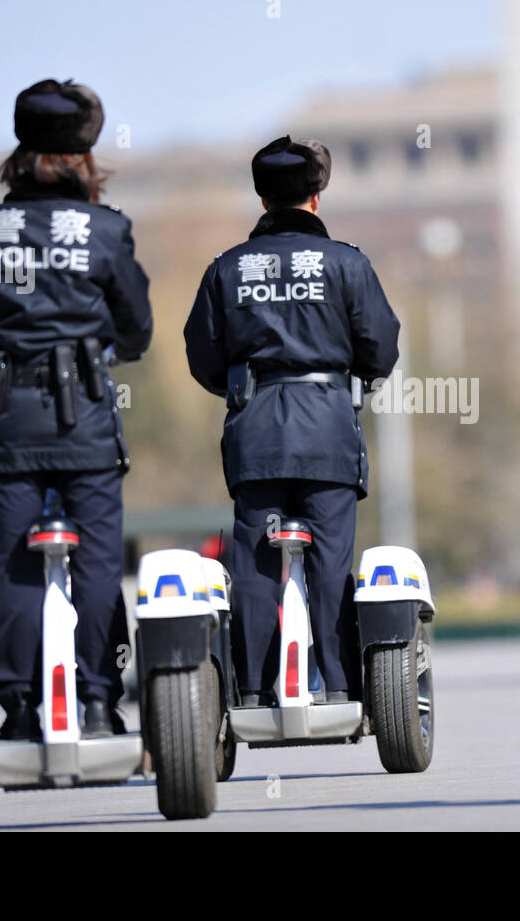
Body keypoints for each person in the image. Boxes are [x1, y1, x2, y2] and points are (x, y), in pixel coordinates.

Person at [0, 79, 153, 739]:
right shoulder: (105, 228)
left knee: (12, 564)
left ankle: (19, 710)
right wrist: (100, 350)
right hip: (87, 415)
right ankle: (96, 702)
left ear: (19, 155)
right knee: (96, 563)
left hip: (7, 419)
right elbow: (137, 328)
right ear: (84, 159)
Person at [184, 136, 400, 707]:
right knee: (332, 559)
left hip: (255, 432)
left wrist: (240, 385)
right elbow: (381, 345)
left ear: (261, 197)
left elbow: (202, 358)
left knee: (254, 562)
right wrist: (353, 379)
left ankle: (252, 690)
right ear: (316, 197)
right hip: (327, 429)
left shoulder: (227, 269)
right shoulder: (348, 263)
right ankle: (340, 686)